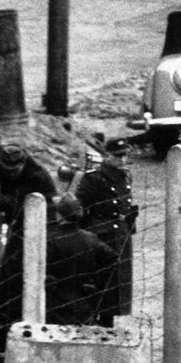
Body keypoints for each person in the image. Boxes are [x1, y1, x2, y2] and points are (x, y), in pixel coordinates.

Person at [0, 143, 58, 330]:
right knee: (10, 265)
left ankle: (12, 315)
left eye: (16, 170)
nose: (11, 173)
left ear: (24, 164)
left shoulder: (37, 177)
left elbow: (16, 202)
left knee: (18, 265)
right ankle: (6, 311)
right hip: (16, 220)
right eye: (7, 169)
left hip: (37, 222)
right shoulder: (0, 155)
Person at [75, 138, 138, 328]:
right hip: (101, 234)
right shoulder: (93, 177)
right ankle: (99, 321)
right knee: (101, 280)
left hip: (121, 235)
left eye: (125, 155)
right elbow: (80, 207)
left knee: (119, 280)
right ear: (107, 156)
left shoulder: (126, 175)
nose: (123, 160)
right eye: (118, 156)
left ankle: (110, 319)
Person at [46, 194, 117, 326]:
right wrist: (95, 281)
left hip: (54, 303)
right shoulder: (90, 238)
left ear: (60, 216)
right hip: (83, 301)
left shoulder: (50, 240)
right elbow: (112, 258)